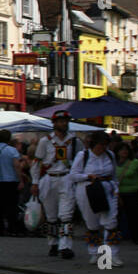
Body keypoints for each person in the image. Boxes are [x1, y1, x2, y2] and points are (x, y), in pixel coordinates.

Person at [31, 111, 84, 259]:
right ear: (54, 123)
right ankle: (53, 243)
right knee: (51, 216)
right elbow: (36, 163)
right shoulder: (45, 141)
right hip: (49, 179)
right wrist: (35, 182)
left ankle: (65, 246)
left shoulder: (75, 141)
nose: (63, 124)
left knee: (66, 215)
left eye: (65, 121)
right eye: (60, 121)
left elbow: (80, 162)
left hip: (67, 178)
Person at [70, 133, 121, 267]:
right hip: (88, 189)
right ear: (93, 144)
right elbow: (73, 175)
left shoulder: (110, 155)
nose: (102, 148)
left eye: (105, 144)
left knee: (111, 222)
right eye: (100, 144)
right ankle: (94, 252)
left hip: (107, 189)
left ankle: (111, 255)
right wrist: (88, 176)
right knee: (92, 224)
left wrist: (116, 189)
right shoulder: (83, 156)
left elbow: (114, 175)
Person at [116, 143, 138, 244]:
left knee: (133, 217)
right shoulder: (112, 163)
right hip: (117, 194)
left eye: (126, 150)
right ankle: (115, 237)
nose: (124, 151)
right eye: (122, 149)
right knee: (115, 217)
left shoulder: (135, 163)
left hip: (133, 194)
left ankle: (136, 238)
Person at [0, 130, 21, 236]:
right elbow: (16, 165)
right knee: (12, 206)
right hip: (11, 181)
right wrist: (20, 179)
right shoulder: (12, 150)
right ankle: (12, 228)